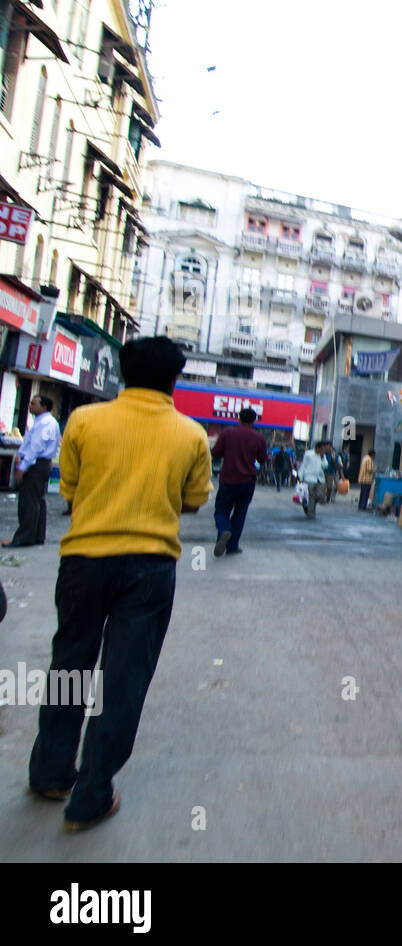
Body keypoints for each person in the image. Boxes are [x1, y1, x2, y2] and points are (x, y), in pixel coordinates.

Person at [27, 336, 212, 831]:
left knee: (70, 665)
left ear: (123, 374)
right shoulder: (191, 434)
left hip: (83, 559)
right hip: (150, 568)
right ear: (174, 381)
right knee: (123, 681)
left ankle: (50, 772)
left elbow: (68, 486)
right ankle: (90, 795)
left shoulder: (84, 421)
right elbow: (194, 500)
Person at [210, 407, 268, 557]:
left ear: (239, 418)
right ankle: (232, 546)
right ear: (254, 421)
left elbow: (215, 453)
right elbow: (262, 459)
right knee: (240, 513)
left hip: (228, 479)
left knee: (221, 510)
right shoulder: (259, 438)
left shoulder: (227, 433)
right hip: (247, 481)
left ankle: (223, 531)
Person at [4, 394, 60, 548]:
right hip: (41, 464)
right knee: (37, 500)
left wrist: (22, 468)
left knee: (29, 501)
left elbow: (36, 448)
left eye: (34, 404)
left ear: (43, 407)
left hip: (37, 464)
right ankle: (36, 535)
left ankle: (24, 537)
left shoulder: (45, 423)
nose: (30, 406)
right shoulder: (46, 422)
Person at [298, 441, 327, 519]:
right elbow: (304, 465)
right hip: (309, 478)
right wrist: (300, 477)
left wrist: (323, 457)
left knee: (319, 495)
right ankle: (311, 513)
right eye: (322, 449)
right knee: (311, 497)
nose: (323, 450)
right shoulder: (308, 454)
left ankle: (308, 507)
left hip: (320, 479)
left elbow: (325, 466)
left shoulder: (322, 456)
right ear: (317, 448)